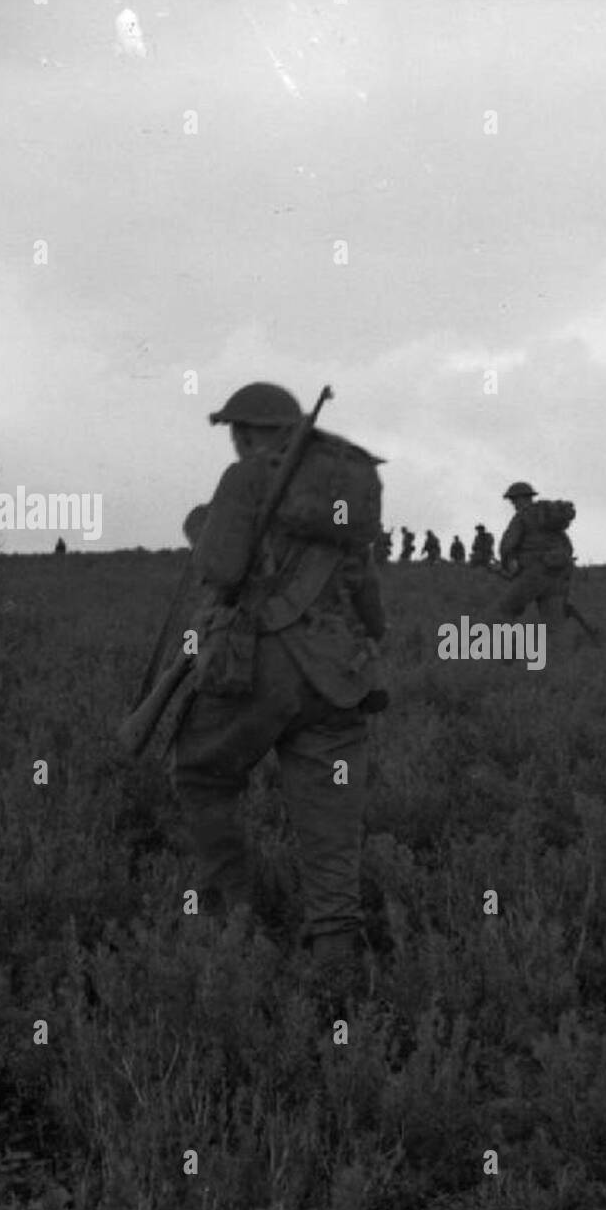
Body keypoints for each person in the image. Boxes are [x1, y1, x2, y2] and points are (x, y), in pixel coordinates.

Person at [169, 381, 387, 991]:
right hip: (338, 677)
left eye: (235, 431)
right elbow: (369, 598)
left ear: (244, 432)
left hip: (252, 669)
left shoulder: (245, 480)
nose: (234, 442)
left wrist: (204, 527)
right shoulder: (339, 489)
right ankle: (334, 957)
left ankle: (233, 915)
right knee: (332, 818)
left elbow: (220, 569)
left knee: (201, 775)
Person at [498, 482, 573, 636]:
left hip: (534, 575)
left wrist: (511, 563)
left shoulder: (522, 517)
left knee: (505, 610)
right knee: (554, 625)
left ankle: (501, 651)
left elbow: (507, 546)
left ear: (521, 498)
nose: (513, 504)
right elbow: (568, 547)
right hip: (558, 577)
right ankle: (560, 656)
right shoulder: (551, 519)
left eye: (513, 500)